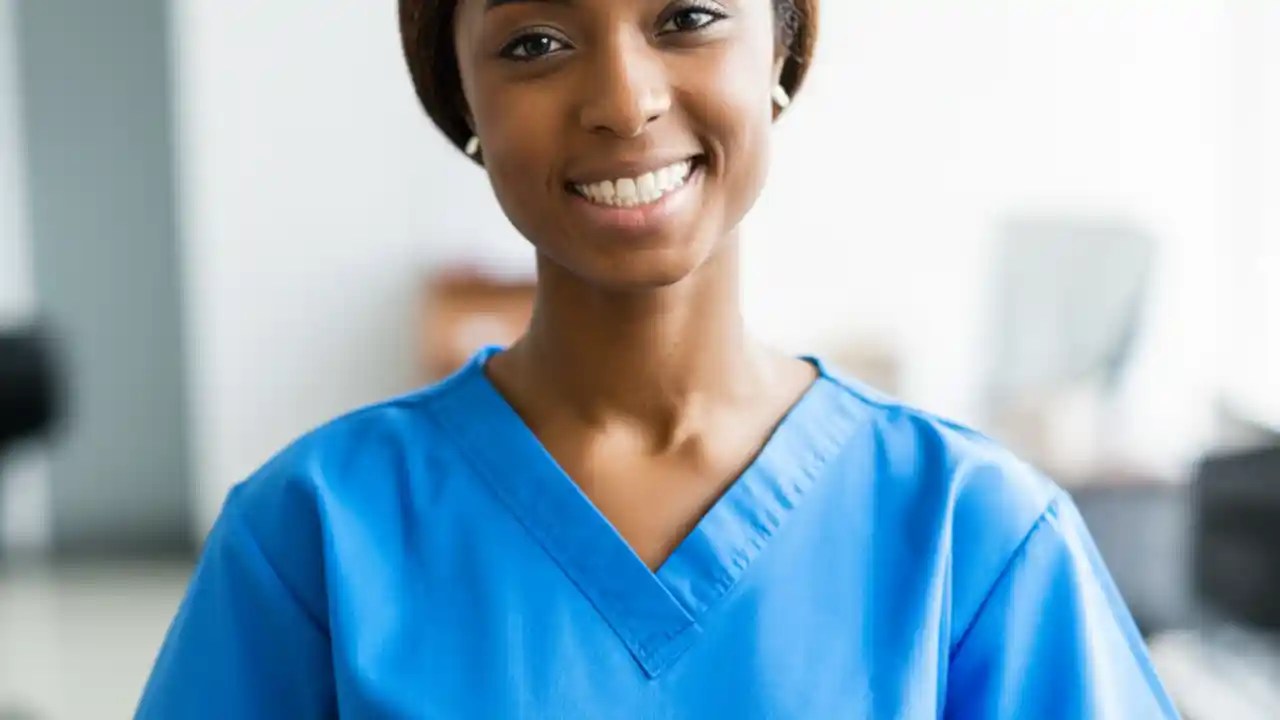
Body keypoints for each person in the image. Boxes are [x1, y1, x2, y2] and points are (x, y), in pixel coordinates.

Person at [137, 0, 1178, 717]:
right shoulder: (310, 542)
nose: (622, 99)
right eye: (535, 41)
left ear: (780, 44)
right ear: (461, 102)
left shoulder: (976, 538)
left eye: (683, 18)